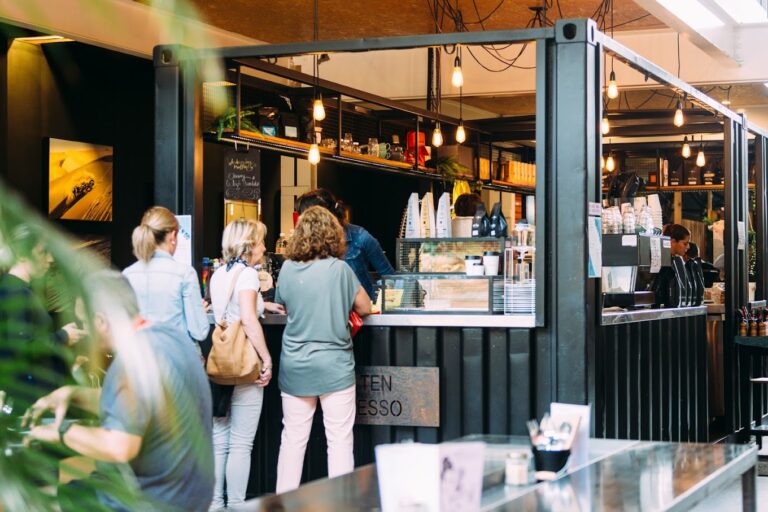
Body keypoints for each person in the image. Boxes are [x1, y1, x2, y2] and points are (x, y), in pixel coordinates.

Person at [25, 271, 214, 511]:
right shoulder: (170, 337)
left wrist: (60, 431)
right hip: (190, 497)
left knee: (45, 497)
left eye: (85, 322)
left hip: (152, 500)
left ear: (102, 321)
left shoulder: (132, 361)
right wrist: (75, 394)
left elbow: (119, 446)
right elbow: (139, 407)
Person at [274, 206, 372, 493]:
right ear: (333, 235)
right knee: (339, 441)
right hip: (335, 366)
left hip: (295, 366)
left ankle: (283, 503)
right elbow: (365, 306)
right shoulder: (340, 270)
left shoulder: (288, 270)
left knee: (292, 440)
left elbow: (283, 304)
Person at [208, 218, 280, 509]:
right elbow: (248, 319)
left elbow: (233, 308)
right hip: (245, 364)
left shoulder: (218, 274)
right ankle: (237, 505)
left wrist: (265, 304)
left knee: (219, 439)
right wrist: (267, 358)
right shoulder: (249, 275)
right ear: (250, 244)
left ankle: (214, 504)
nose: (265, 246)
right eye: (261, 240)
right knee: (241, 443)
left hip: (221, 363)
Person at [0, 228, 85, 410]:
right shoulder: (17, 292)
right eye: (42, 252)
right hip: (28, 398)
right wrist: (63, 336)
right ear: (22, 255)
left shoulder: (14, 289)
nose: (50, 259)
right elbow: (21, 348)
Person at [123, 206, 209, 347]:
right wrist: (200, 312)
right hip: (176, 358)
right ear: (172, 236)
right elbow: (199, 331)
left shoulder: (128, 274)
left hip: (141, 359)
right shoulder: (184, 273)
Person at [296, 189, 394, 300]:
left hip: (360, 312)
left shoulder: (361, 238)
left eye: (308, 218)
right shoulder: (307, 243)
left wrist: (382, 303)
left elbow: (389, 277)